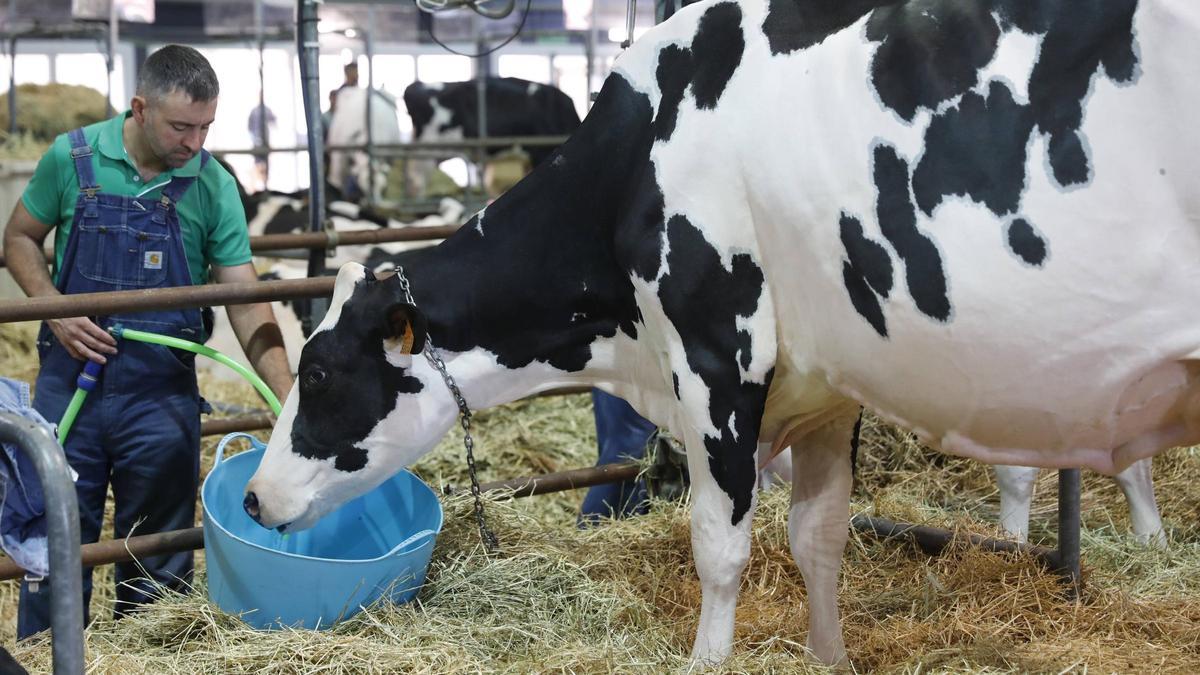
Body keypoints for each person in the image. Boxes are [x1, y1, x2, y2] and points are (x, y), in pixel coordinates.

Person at [2, 44, 294, 637]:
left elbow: (245, 297)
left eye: (206, 126)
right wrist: (54, 309)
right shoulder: (73, 157)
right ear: (139, 108)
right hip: (69, 387)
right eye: (181, 126)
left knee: (157, 555)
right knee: (51, 540)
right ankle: (45, 655)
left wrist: (289, 396)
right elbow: (19, 238)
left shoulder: (212, 185)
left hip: (160, 396)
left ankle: (146, 656)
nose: (195, 142)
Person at [247, 99, 276, 191]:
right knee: (260, 165)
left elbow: (273, 122)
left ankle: (262, 186)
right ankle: (259, 186)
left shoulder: (263, 110)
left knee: (262, 165)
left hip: (262, 142)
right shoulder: (259, 111)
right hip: (259, 142)